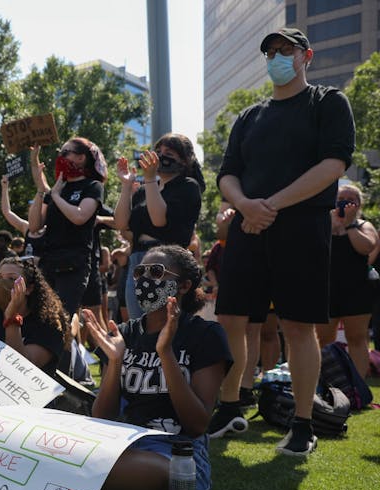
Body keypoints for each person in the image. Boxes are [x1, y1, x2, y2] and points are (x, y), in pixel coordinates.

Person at [210, 27, 355, 457]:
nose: (275, 57)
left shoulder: (328, 103)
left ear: (305, 56)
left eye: (284, 50)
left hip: (301, 227)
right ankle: (231, 404)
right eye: (270, 51)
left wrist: (267, 206)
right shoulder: (249, 116)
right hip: (247, 227)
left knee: (297, 327)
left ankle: (303, 423)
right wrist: (244, 205)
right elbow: (227, 174)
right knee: (232, 319)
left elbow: (333, 164)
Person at [83, 245, 231, 490]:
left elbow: (197, 424)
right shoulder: (124, 334)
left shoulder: (205, 335)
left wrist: (166, 353)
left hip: (177, 456)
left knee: (97, 468)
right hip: (123, 445)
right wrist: (115, 362)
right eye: (139, 272)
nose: (144, 279)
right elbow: (102, 417)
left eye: (156, 272)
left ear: (183, 286)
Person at [113, 133, 204, 319]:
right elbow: (121, 223)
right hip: (137, 260)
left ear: (184, 160)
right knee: (138, 324)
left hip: (166, 263)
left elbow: (158, 220)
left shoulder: (188, 186)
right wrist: (126, 185)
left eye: (169, 152)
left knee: (160, 324)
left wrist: (150, 179)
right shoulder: (145, 189)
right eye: (158, 151)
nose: (161, 156)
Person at [29, 138, 107, 317]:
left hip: (73, 265)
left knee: (61, 318)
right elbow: (34, 226)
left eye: (65, 153)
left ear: (80, 158)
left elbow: (80, 216)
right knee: (41, 317)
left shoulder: (92, 186)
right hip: (49, 263)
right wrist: (41, 191)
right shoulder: (59, 188)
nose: (60, 157)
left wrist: (55, 196)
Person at [315, 184, 378, 378]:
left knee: (357, 337)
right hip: (327, 289)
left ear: (359, 205)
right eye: (342, 199)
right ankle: (326, 381)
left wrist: (349, 225)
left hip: (356, 290)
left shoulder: (363, 226)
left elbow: (367, 247)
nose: (346, 203)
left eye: (352, 200)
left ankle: (358, 384)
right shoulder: (324, 223)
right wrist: (333, 226)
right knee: (323, 338)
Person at [0, 256, 70, 379]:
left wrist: (12, 318)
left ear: (29, 289)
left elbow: (21, 366)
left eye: (11, 278)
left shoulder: (49, 323)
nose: (2, 283)